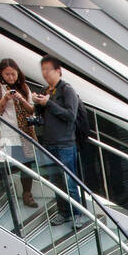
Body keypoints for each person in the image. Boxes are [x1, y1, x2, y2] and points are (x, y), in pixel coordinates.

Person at [32, 55, 82, 224]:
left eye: (48, 70)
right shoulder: (46, 90)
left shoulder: (67, 90)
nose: (45, 73)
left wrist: (49, 104)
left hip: (65, 144)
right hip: (49, 143)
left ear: (58, 71)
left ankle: (78, 214)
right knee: (56, 182)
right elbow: (44, 116)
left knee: (69, 182)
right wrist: (38, 104)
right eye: (43, 70)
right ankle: (64, 212)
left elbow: (70, 116)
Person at [0, 58, 38, 208]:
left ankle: (27, 194)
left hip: (26, 131)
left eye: (13, 74)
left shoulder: (23, 86)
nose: (11, 78)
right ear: (1, 74)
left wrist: (21, 99)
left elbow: (31, 109)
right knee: (12, 163)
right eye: (7, 74)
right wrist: (5, 99)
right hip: (8, 132)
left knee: (27, 164)